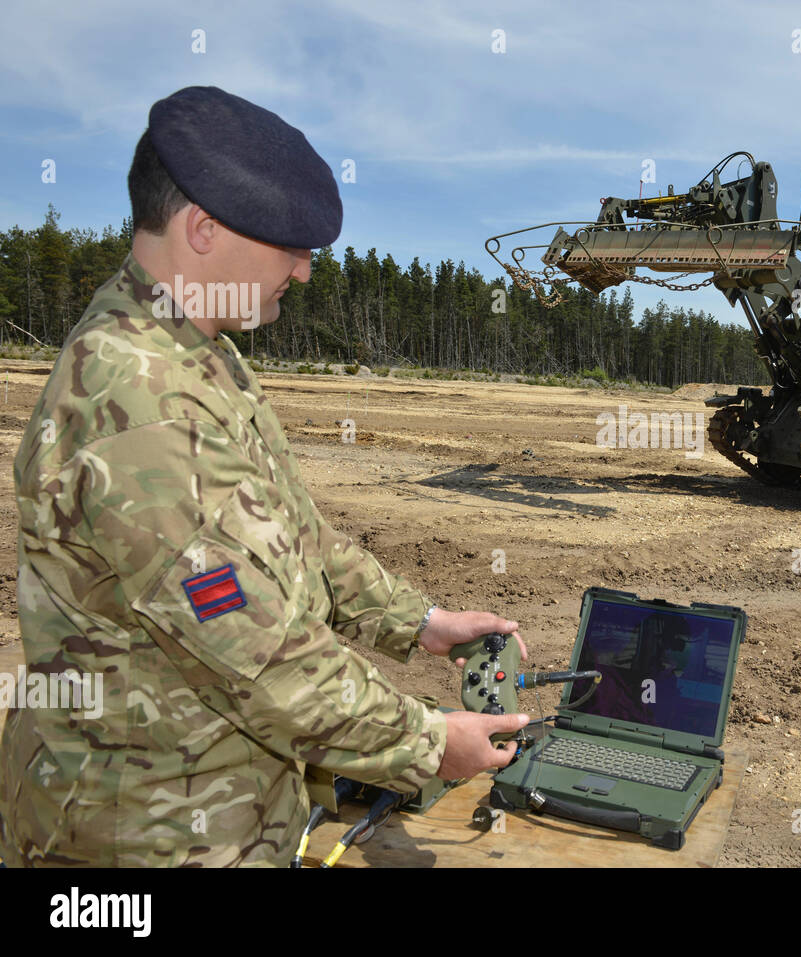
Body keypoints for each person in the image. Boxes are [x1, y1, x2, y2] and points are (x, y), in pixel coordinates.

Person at [0, 86, 527, 867]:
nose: (307, 272)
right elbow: (259, 652)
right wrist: (426, 742)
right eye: (291, 245)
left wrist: (419, 621)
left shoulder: (200, 353)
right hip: (139, 842)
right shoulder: (139, 402)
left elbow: (295, 533)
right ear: (204, 230)